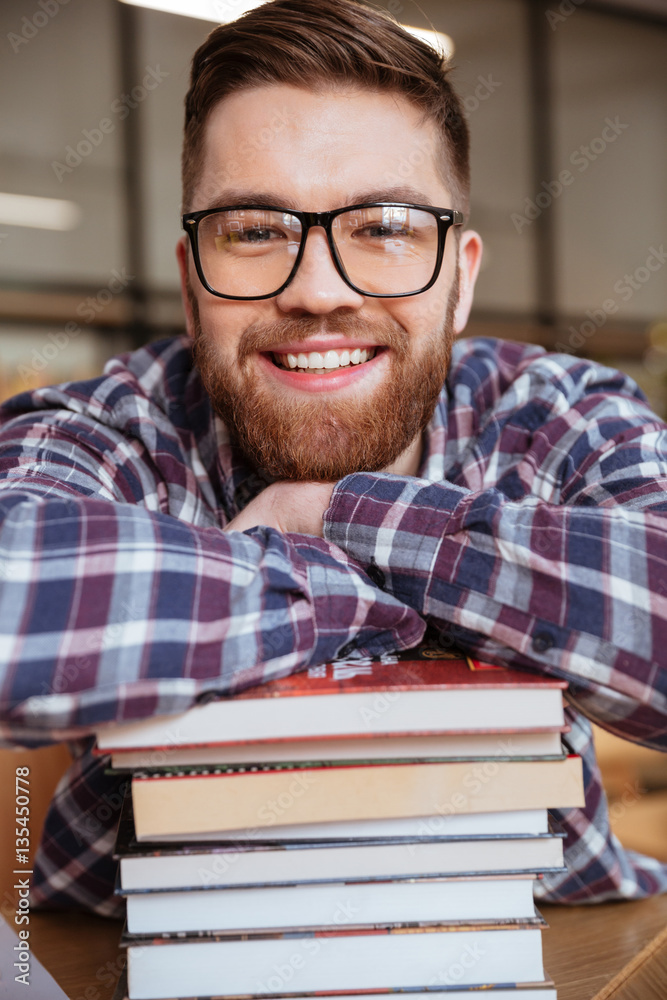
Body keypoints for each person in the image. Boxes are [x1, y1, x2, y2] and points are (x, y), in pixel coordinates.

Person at [0, 0, 665, 917]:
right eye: (255, 230)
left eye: (385, 226)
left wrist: (331, 516)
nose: (318, 291)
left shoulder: (552, 414)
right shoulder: (116, 427)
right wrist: (349, 579)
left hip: (561, 945)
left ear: (461, 278)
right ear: (193, 287)